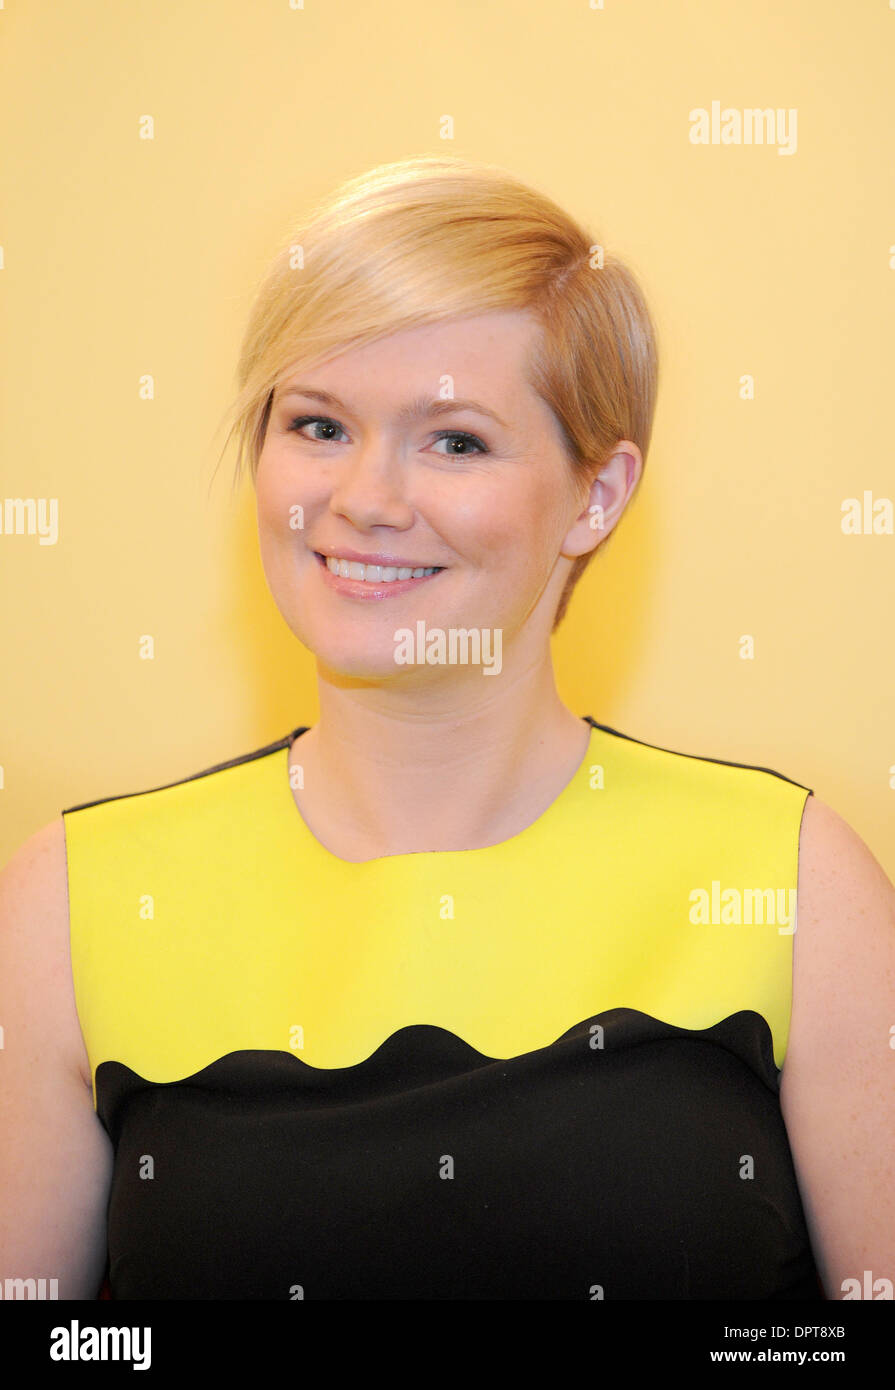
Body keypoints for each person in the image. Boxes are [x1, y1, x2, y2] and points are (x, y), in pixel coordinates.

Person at [1, 155, 893, 1301]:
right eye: (317, 424)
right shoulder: (66, 902)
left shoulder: (799, 883)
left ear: (596, 496)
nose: (366, 498)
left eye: (456, 440)